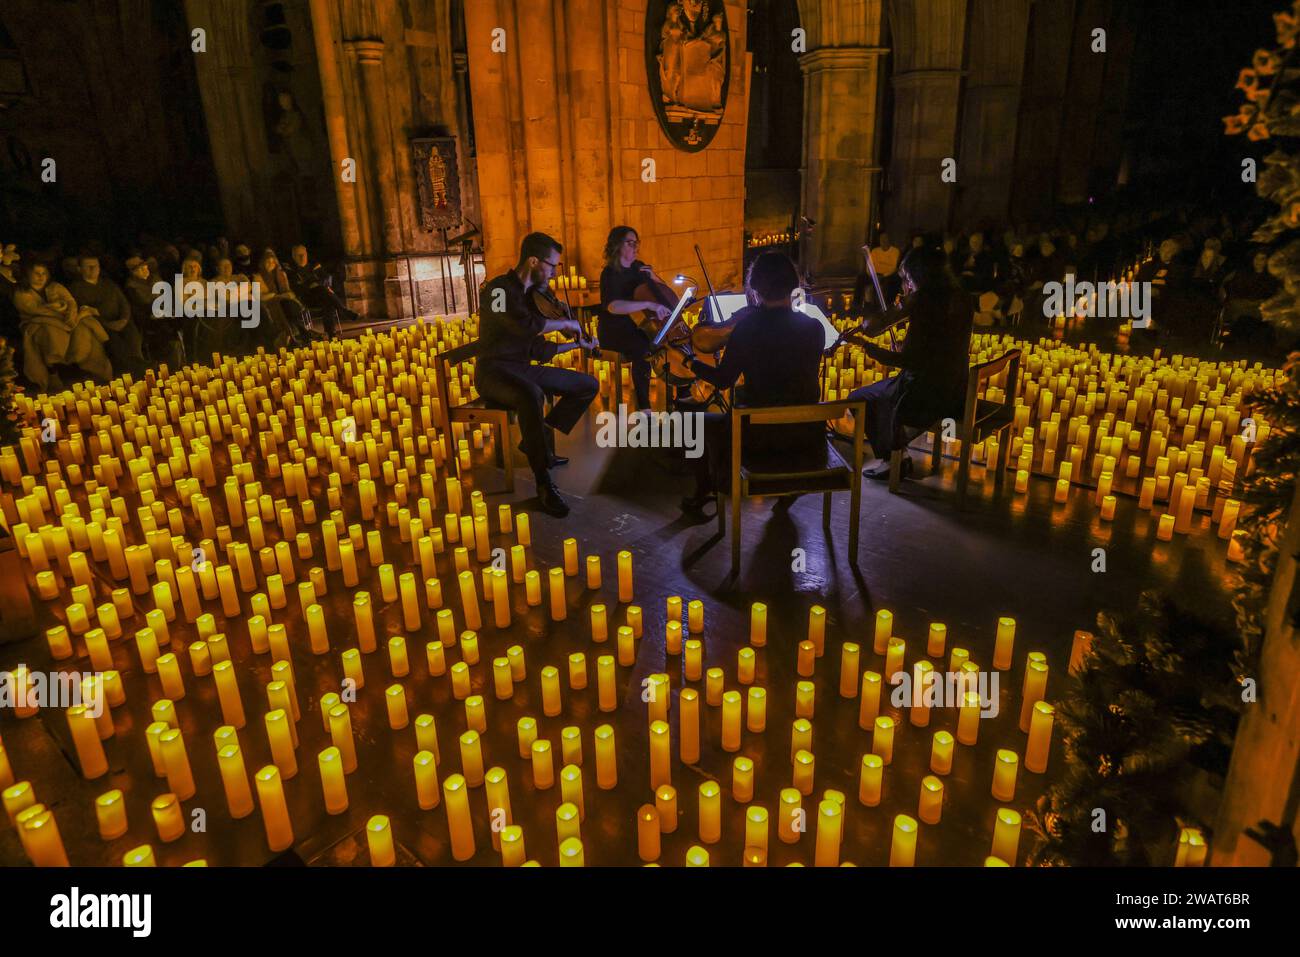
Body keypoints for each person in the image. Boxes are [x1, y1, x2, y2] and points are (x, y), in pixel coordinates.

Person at [679, 250, 826, 512]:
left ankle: (704, 489)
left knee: (694, 423)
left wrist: (691, 362)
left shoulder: (747, 328)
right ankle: (786, 491)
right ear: (793, 286)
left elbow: (723, 380)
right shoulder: (814, 328)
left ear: (756, 290)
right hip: (806, 437)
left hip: (760, 439)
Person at [475, 232, 599, 517]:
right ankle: (544, 483)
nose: (555, 273)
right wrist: (565, 322)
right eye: (552, 265)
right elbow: (522, 327)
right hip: (494, 371)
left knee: (586, 385)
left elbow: (538, 348)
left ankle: (536, 439)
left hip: (523, 367)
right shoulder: (496, 291)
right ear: (533, 261)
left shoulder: (533, 297)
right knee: (532, 395)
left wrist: (574, 343)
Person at [844, 246, 973, 479]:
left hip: (923, 396)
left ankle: (891, 458)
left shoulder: (922, 301)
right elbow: (936, 345)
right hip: (955, 389)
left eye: (908, 279)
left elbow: (905, 361)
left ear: (919, 275)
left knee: (859, 398)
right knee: (885, 390)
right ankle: (897, 455)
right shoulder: (961, 298)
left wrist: (865, 345)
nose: (907, 286)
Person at [597, 226, 673, 411]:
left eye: (636, 243)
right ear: (617, 245)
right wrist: (648, 305)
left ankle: (683, 393)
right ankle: (644, 406)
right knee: (643, 347)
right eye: (630, 243)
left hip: (638, 324)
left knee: (670, 341)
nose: (635, 247)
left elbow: (664, 291)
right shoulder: (609, 274)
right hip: (614, 329)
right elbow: (613, 306)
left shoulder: (639, 267)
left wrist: (654, 277)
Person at [13, 261, 112, 391]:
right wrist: (56, 307)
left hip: (65, 320)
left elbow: (70, 301)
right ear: (28, 275)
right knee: (50, 332)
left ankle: (87, 366)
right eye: (37, 273)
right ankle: (55, 369)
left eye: (43, 273)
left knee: (83, 328)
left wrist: (70, 313)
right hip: (37, 323)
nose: (41, 276)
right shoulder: (22, 293)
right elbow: (34, 310)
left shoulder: (55, 287)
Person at [69, 255, 146, 379]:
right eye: (88, 266)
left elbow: (123, 302)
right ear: (79, 269)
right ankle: (134, 370)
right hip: (102, 325)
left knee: (132, 336)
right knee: (115, 343)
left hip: (121, 321)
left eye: (96, 266)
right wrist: (107, 323)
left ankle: (139, 365)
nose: (93, 269)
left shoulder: (108, 283)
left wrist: (124, 319)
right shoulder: (76, 289)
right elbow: (86, 312)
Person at [124, 255, 185, 369]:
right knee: (168, 339)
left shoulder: (155, 279)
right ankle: (171, 366)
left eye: (145, 267)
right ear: (133, 272)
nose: (145, 270)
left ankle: (182, 360)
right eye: (141, 269)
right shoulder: (132, 287)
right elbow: (139, 308)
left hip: (167, 315)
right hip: (151, 322)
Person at [285, 244, 355, 338]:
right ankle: (343, 311)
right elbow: (296, 288)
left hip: (321, 296)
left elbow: (326, 278)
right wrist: (312, 285)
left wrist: (317, 284)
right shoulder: (291, 271)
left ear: (306, 254)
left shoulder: (314, 265)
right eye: (299, 255)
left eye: (303, 254)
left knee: (327, 300)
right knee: (325, 294)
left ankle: (331, 333)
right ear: (293, 257)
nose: (302, 257)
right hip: (305, 299)